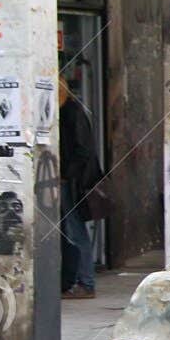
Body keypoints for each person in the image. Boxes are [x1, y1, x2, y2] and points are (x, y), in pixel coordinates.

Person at [58, 80, 103, 300]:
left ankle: (86, 282)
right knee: (72, 231)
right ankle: (77, 280)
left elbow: (82, 150)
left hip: (74, 182)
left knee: (76, 231)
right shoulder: (68, 111)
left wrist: (66, 174)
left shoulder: (71, 113)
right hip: (70, 180)